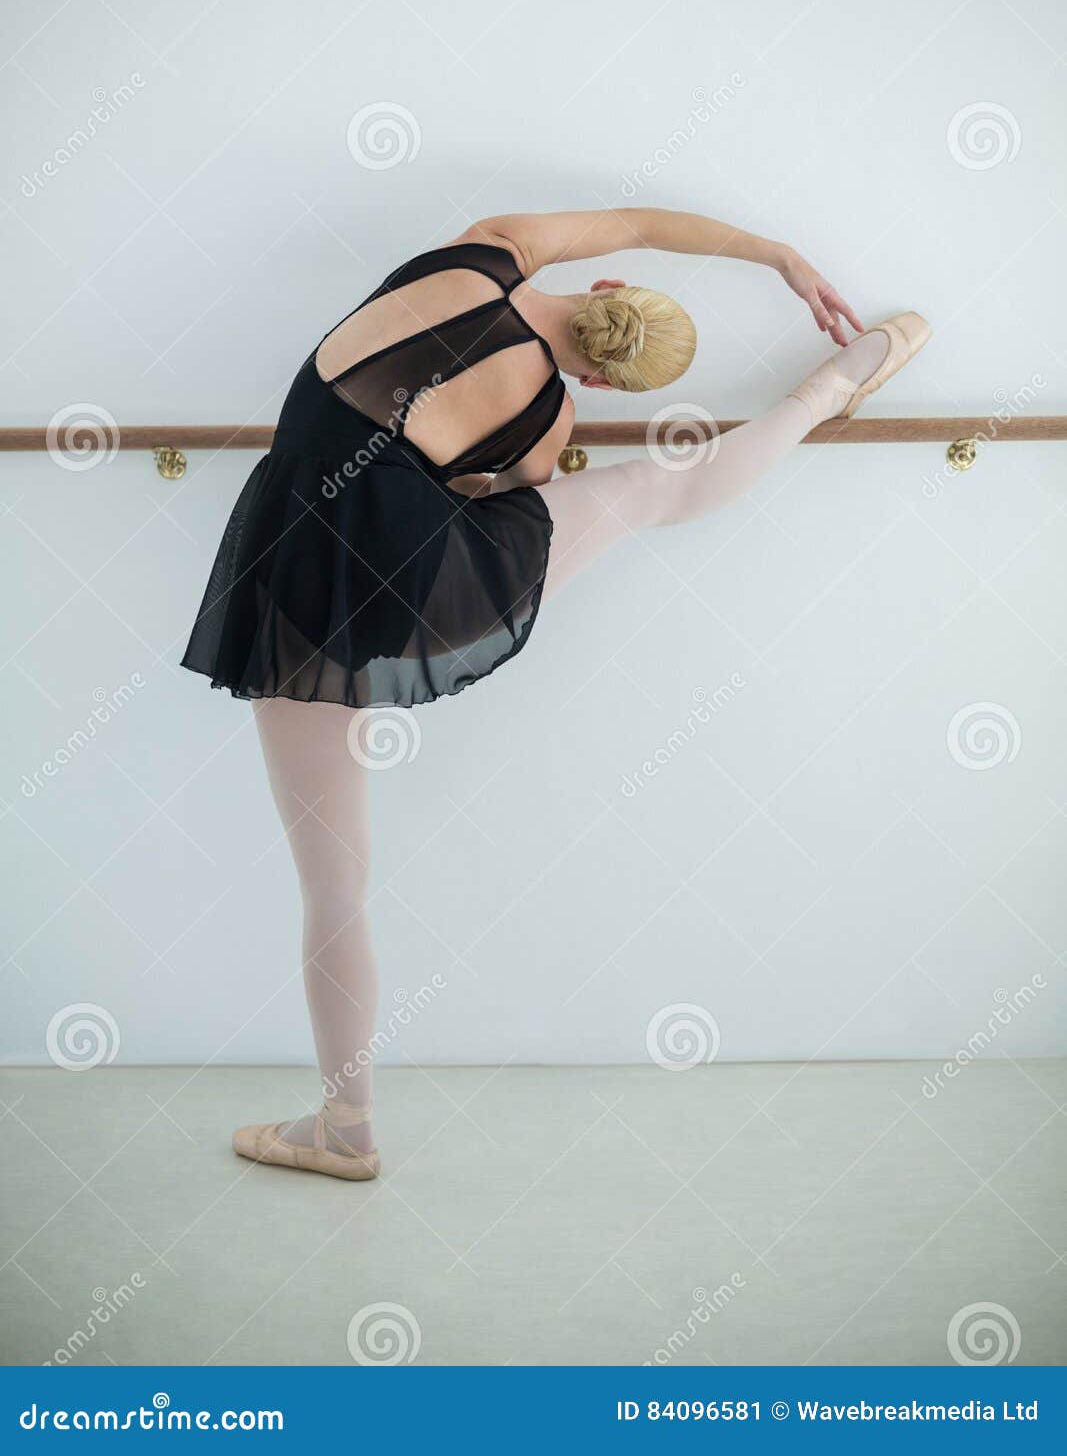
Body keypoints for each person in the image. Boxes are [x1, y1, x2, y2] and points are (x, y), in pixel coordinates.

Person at [181, 206, 929, 1180]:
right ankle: (819, 396)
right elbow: (501, 489)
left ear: (613, 291)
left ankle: (346, 1124)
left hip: (296, 572)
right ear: (601, 375)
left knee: (331, 877)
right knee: (651, 491)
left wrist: (779, 255)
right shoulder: (549, 414)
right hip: (406, 588)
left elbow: (638, 220)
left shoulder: (487, 247)